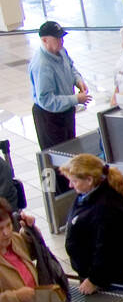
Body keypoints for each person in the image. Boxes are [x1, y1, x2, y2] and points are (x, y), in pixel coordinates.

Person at [28, 21, 90, 194]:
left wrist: (78, 80)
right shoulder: (42, 65)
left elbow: (71, 67)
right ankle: (62, 198)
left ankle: (74, 191)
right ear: (45, 40)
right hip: (49, 117)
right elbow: (46, 100)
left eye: (62, 38)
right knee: (57, 159)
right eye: (57, 39)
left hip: (65, 112)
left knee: (70, 152)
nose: (61, 42)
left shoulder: (60, 51)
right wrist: (74, 99)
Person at [61, 154, 123, 296]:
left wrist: (95, 279)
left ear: (89, 180)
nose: (70, 185)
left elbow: (108, 248)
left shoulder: (107, 207)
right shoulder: (87, 195)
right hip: (92, 274)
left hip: (105, 280)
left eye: (74, 181)